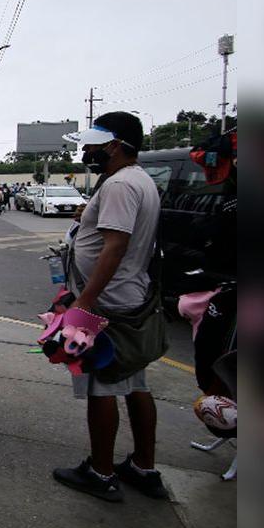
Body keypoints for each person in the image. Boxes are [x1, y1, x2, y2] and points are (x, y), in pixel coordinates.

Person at [51, 112, 167, 502]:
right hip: (128, 297)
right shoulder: (139, 180)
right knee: (135, 384)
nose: (86, 150)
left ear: (116, 145)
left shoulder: (119, 185)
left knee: (102, 388)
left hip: (106, 306)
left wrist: (84, 302)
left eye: (93, 144)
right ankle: (143, 466)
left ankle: (101, 473)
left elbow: (115, 246)